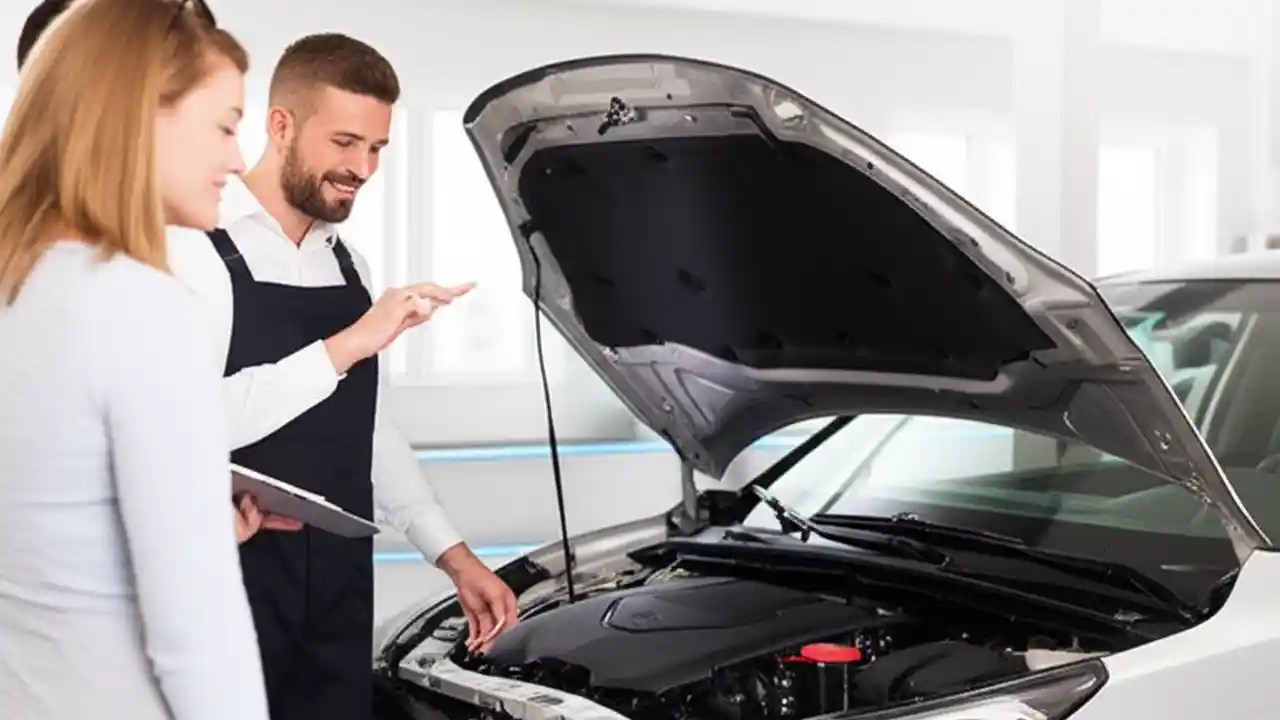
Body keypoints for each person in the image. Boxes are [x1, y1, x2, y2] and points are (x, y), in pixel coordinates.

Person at [164, 33, 519, 719]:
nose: (363, 167)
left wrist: (453, 556)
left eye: (378, 149)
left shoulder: (351, 264)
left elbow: (368, 428)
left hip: (338, 580)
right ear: (280, 125)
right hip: (227, 572)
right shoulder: (194, 247)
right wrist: (350, 342)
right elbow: (190, 421)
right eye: (346, 142)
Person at [0, 1, 269, 719]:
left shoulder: (18, 290)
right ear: (140, 115)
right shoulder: (138, 306)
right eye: (224, 125)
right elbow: (197, 634)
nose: (237, 161)